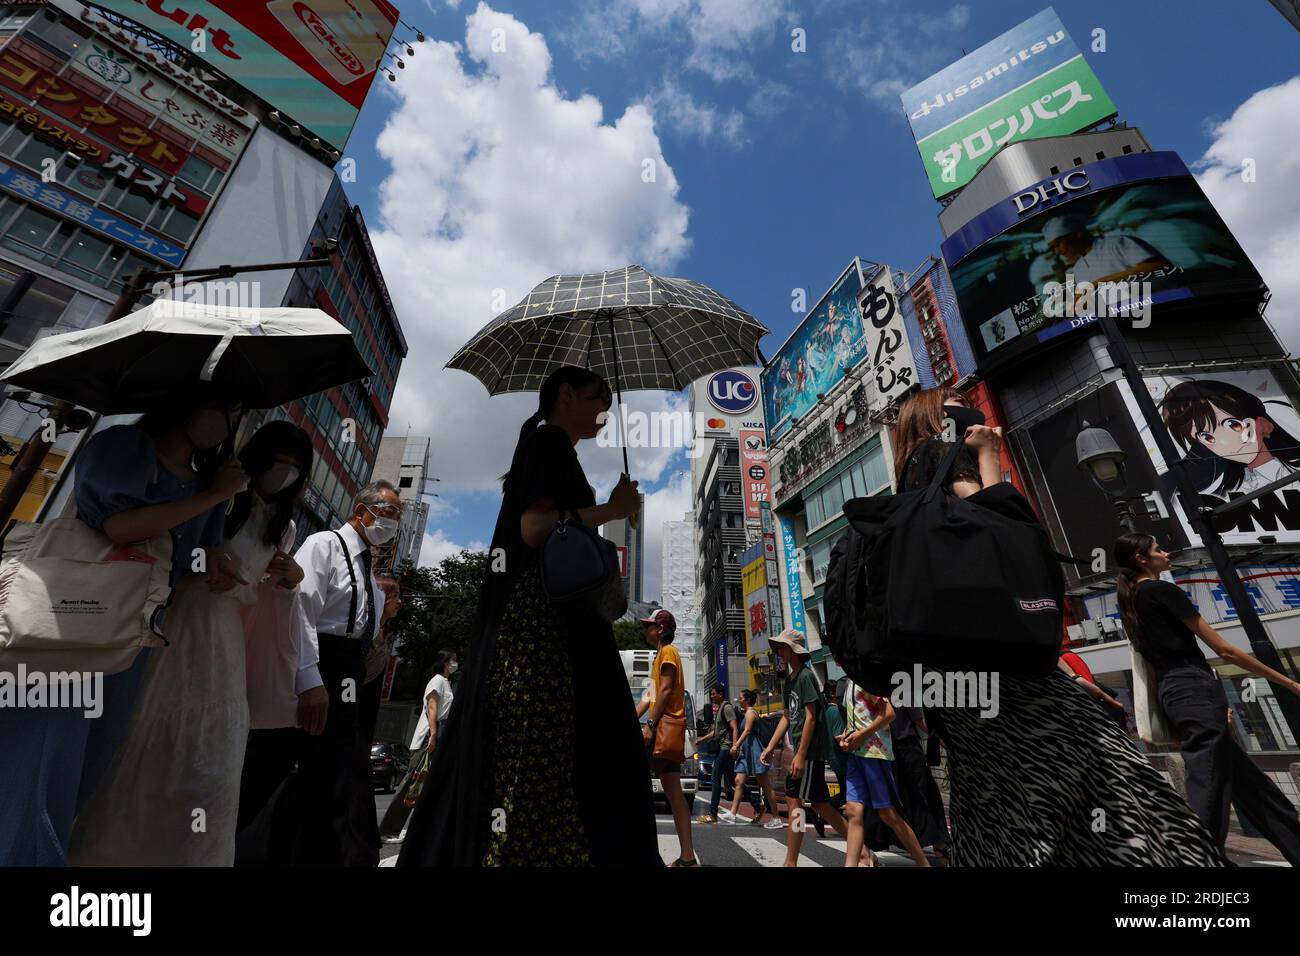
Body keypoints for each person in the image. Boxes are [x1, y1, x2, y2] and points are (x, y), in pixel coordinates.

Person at [890, 387, 1224, 866]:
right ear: (938, 416)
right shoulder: (943, 456)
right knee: (1107, 779)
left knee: (998, 799)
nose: (967, 400)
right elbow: (1000, 526)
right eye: (955, 398)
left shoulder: (908, 478)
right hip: (1001, 664)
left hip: (951, 672)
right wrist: (989, 456)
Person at [398, 366, 658, 867]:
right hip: (540, 631)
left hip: (543, 625)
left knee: (543, 753)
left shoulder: (550, 448)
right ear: (566, 394)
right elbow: (535, 527)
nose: (604, 408)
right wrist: (611, 509)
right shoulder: (547, 445)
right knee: (539, 754)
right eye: (596, 397)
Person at [0, 390, 247, 866]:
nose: (228, 417)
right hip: (67, 626)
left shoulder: (207, 486)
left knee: (84, 771)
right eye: (222, 403)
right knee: (39, 764)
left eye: (236, 412)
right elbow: (118, 527)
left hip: (133, 639)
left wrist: (214, 566)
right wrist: (215, 495)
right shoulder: (124, 447)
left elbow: (185, 560)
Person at [69, 420, 311, 866]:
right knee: (147, 735)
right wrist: (202, 567)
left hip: (225, 640)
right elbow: (172, 550)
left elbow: (275, 596)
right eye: (281, 461)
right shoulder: (217, 493)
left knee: (212, 755)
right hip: (177, 619)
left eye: (297, 467)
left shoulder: (283, 526)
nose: (287, 473)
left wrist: (291, 576)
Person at [1115, 532, 1300, 866]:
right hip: (1192, 687)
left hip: (1178, 692)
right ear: (1141, 559)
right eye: (1158, 549)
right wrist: (1288, 681)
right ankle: (1193, 857)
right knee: (1208, 777)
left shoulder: (1132, 601)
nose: (1165, 553)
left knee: (1253, 789)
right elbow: (1225, 649)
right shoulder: (1161, 591)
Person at [237, 480, 396, 867]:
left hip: (347, 671)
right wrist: (309, 678)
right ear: (362, 511)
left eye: (397, 518)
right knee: (272, 763)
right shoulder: (326, 545)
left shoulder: (367, 571)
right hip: (316, 662)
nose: (392, 524)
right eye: (387, 514)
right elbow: (301, 609)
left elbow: (362, 634)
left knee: (332, 777)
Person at [759, 629, 855, 867]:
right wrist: (770, 746)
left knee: (794, 802)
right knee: (821, 804)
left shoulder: (805, 677)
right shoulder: (790, 679)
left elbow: (811, 716)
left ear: (793, 650)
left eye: (782, 647)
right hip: (805, 751)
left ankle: (791, 861)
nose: (779, 651)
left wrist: (801, 755)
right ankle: (861, 850)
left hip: (809, 752)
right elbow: (787, 717)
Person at [837, 680, 930, 867]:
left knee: (888, 814)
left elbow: (889, 714)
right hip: (856, 755)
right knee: (853, 811)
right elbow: (861, 718)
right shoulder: (849, 683)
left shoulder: (866, 680)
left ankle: (924, 864)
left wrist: (860, 735)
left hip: (874, 753)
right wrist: (847, 736)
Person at [637, 610, 698, 867]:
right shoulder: (660, 656)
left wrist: (649, 724)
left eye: (650, 625)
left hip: (662, 731)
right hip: (664, 731)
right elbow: (649, 696)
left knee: (666, 794)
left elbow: (663, 690)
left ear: (660, 629)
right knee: (674, 794)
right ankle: (687, 857)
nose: (646, 629)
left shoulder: (669, 652)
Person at [379, 648, 457, 843]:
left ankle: (410, 829)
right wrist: (433, 734)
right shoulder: (437, 680)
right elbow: (432, 708)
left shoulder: (447, 683)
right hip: (427, 736)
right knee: (410, 783)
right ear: (445, 662)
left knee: (425, 785)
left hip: (436, 735)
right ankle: (387, 830)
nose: (456, 664)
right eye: (453, 660)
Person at [729, 688, 784, 828]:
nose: (739, 700)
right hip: (747, 751)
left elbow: (747, 731)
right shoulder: (748, 713)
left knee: (765, 785)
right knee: (738, 780)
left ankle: (776, 817)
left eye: (741, 698)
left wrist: (736, 745)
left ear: (747, 700)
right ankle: (732, 814)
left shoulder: (750, 713)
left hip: (754, 751)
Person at [695, 684, 738, 825]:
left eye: (714, 694)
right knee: (732, 780)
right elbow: (717, 731)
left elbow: (734, 727)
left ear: (720, 694)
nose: (712, 697)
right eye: (711, 694)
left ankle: (713, 813)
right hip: (723, 747)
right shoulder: (720, 709)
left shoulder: (726, 707)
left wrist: (735, 746)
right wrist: (702, 739)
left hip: (726, 748)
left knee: (715, 778)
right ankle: (757, 805)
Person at [823, 682, 849, 814]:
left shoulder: (827, 710)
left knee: (845, 792)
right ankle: (822, 811)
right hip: (841, 758)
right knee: (846, 793)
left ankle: (822, 812)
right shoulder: (835, 711)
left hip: (833, 757)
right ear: (833, 694)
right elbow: (839, 737)